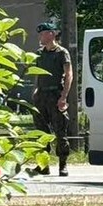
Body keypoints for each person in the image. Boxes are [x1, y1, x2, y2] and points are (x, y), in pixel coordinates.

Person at [33, 21, 72, 176]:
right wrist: (35, 90)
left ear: (51, 34)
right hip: (41, 95)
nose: (40, 37)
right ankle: (43, 165)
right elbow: (38, 73)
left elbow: (69, 74)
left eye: (43, 34)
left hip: (56, 94)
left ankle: (63, 164)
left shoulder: (62, 53)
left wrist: (64, 97)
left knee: (60, 131)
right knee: (41, 132)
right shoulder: (39, 53)